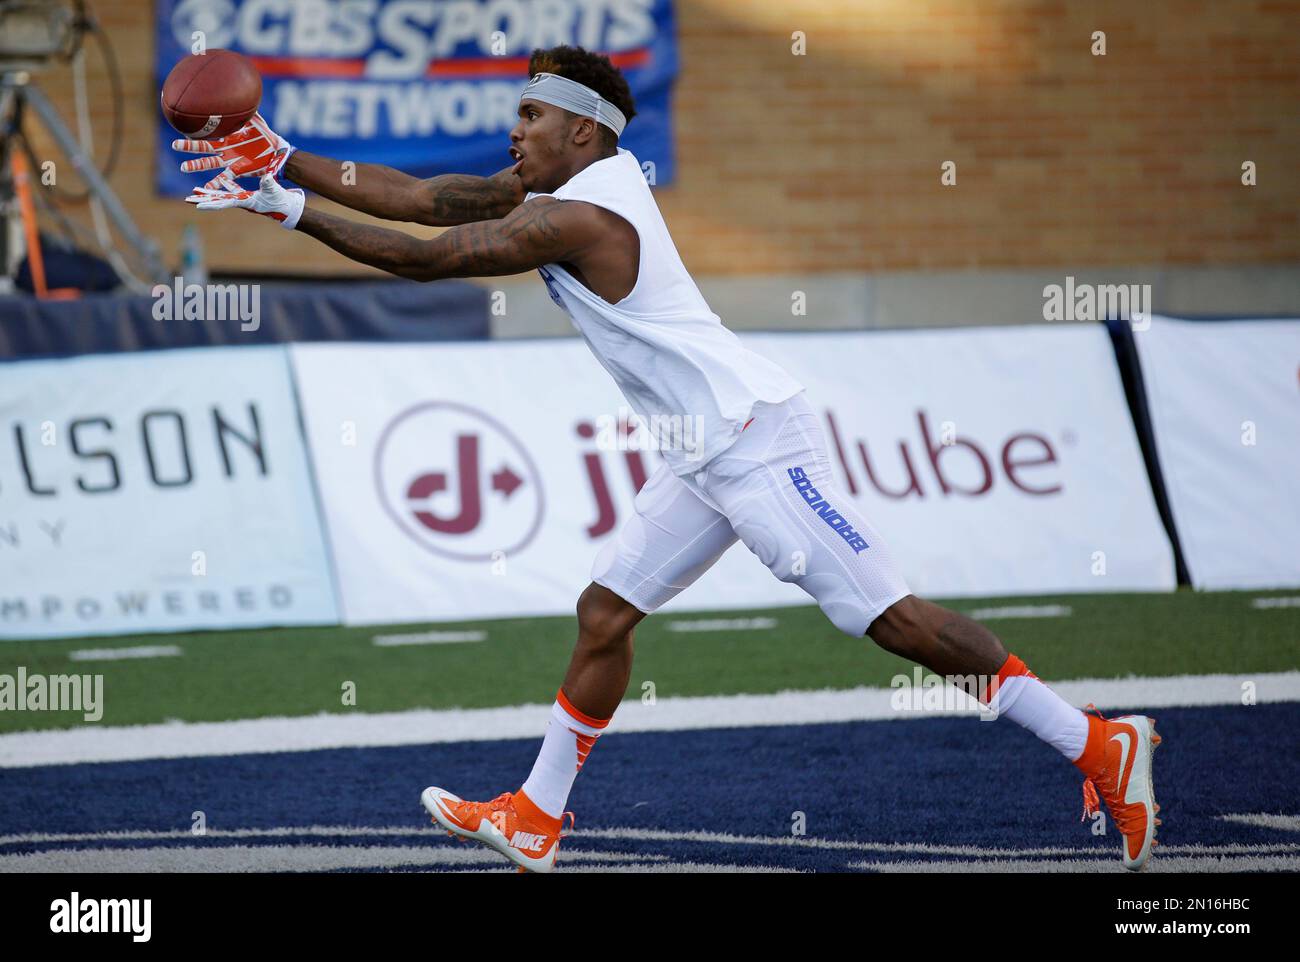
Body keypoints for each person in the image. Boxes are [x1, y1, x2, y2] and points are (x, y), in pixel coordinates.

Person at [176, 44, 1162, 875]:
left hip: (752, 444)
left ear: (585, 132)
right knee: (605, 612)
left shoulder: (583, 212)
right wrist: (287, 158)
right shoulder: (560, 185)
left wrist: (286, 213)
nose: (513, 132)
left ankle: (1096, 741)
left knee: (893, 618)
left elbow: (433, 256)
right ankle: (537, 813)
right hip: (700, 452)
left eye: (529, 115)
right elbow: (431, 198)